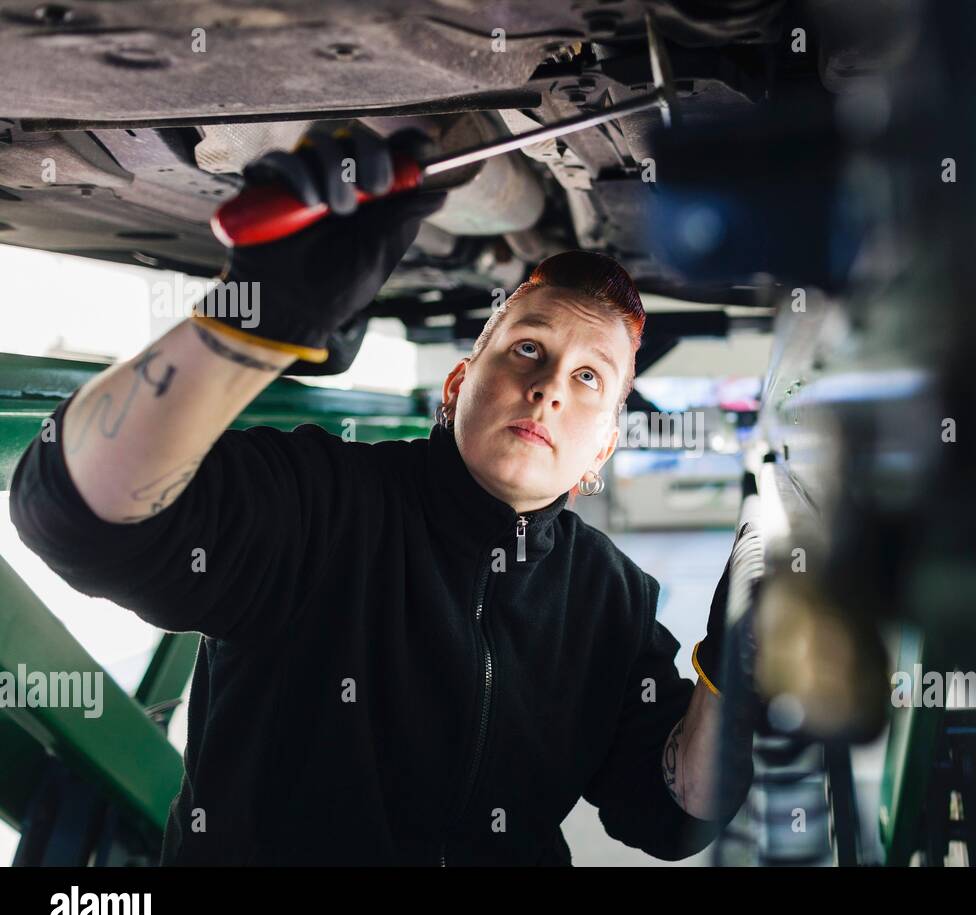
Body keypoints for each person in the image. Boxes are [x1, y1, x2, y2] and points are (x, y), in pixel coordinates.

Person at [7, 123, 754, 865]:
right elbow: (76, 513)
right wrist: (249, 329)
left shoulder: (614, 597)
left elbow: (671, 813)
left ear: (605, 447)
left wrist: (732, 666)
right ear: (459, 383)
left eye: (590, 377)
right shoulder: (323, 505)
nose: (550, 387)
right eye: (529, 347)